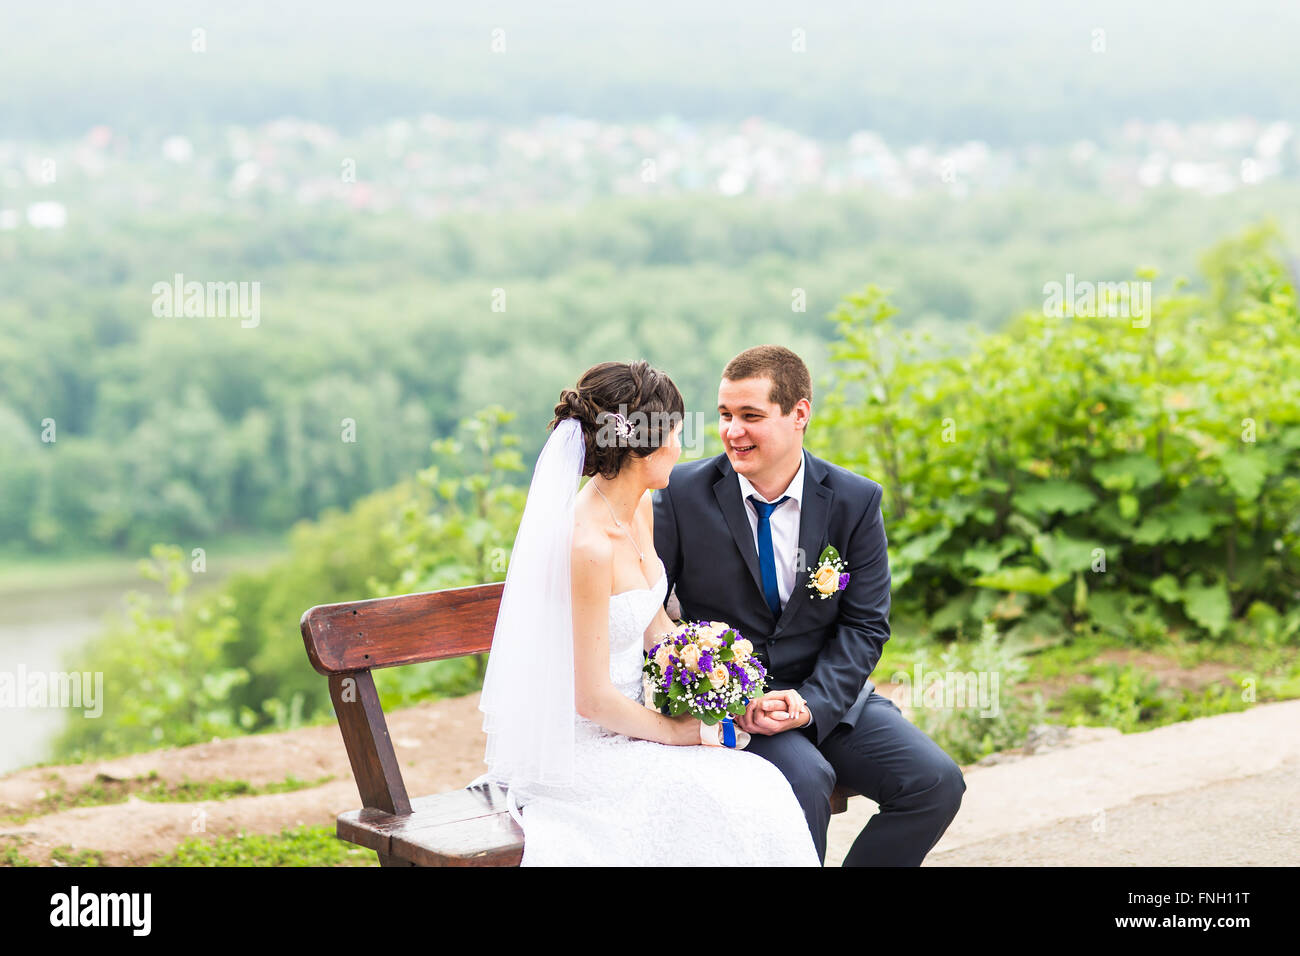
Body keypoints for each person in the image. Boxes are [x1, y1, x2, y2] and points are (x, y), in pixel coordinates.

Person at [467, 360, 820, 866]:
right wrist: (681, 733)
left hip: (639, 725)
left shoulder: (640, 507)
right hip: (585, 746)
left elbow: (657, 628)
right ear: (644, 442)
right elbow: (590, 700)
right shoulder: (586, 545)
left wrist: (733, 692)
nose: (680, 446)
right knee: (736, 796)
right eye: (676, 431)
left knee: (754, 786)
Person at [653, 344, 966, 866]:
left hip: (829, 697)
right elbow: (652, 611)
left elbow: (865, 625)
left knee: (935, 783)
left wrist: (811, 703)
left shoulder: (854, 499)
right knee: (807, 780)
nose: (733, 430)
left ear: (799, 414)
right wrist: (722, 696)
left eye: (751, 416)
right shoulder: (682, 493)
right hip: (736, 708)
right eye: (726, 415)